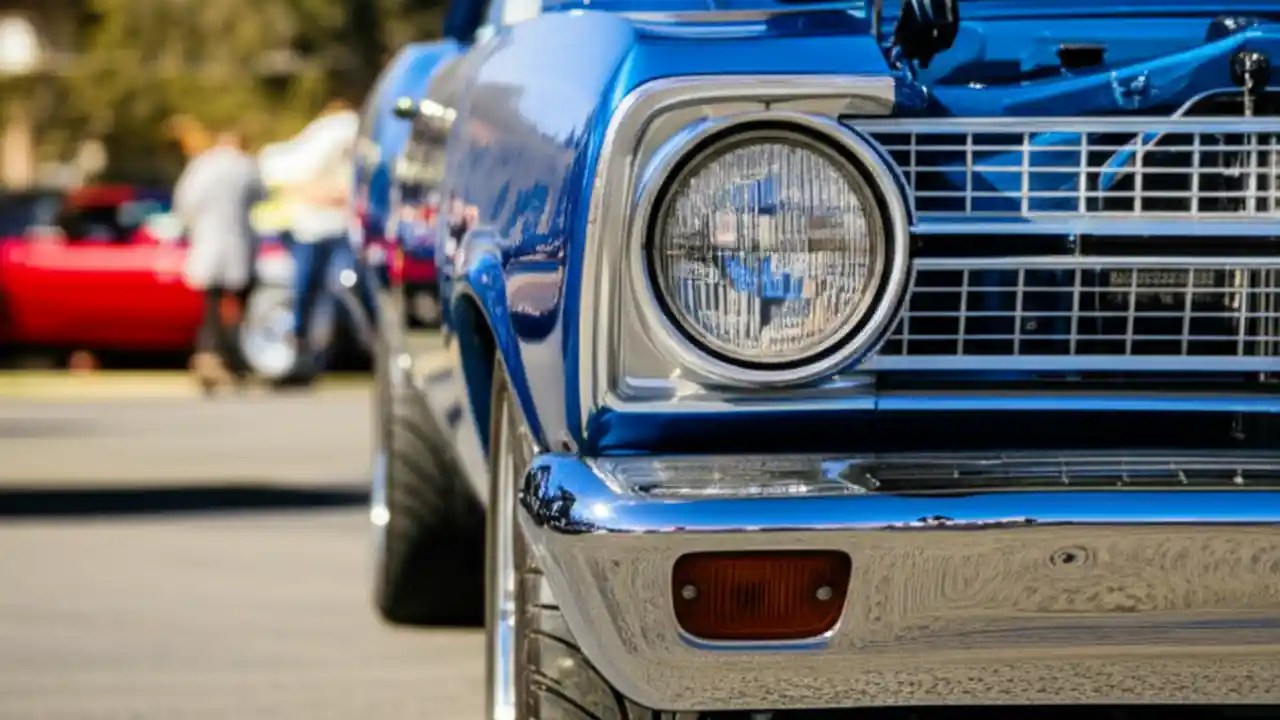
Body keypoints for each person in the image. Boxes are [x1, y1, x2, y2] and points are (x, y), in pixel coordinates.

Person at [172, 126, 267, 394]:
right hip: (237, 244)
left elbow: (184, 204)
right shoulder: (246, 166)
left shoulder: (202, 166)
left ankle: (210, 355)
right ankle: (230, 359)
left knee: (211, 307)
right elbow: (261, 196)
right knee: (236, 307)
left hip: (208, 244)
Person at [278, 101, 359, 381]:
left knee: (338, 289)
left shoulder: (339, 136)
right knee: (310, 291)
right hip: (315, 229)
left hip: (332, 229)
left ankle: (324, 350)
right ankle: (304, 349)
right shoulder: (325, 139)